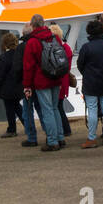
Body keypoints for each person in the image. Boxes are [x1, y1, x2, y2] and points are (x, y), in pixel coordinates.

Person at [22, 14, 67, 152]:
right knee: (55, 108)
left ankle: (52, 141)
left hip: (42, 80)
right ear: (43, 23)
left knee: (47, 110)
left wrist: (27, 86)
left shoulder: (32, 42)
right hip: (56, 77)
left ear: (32, 25)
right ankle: (60, 137)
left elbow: (28, 67)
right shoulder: (54, 37)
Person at [76, 19, 103, 147]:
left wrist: (86, 73)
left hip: (91, 81)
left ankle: (92, 138)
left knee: (92, 109)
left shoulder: (86, 47)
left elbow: (80, 64)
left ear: (89, 32)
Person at [0, 33, 26, 137]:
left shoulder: (4, 57)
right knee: (17, 106)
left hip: (7, 88)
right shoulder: (20, 54)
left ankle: (12, 129)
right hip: (19, 86)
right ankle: (27, 124)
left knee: (10, 109)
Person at [50, 24, 75, 136]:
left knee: (57, 106)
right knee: (59, 105)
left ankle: (65, 129)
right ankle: (65, 129)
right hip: (64, 79)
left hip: (58, 80)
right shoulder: (67, 49)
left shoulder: (57, 49)